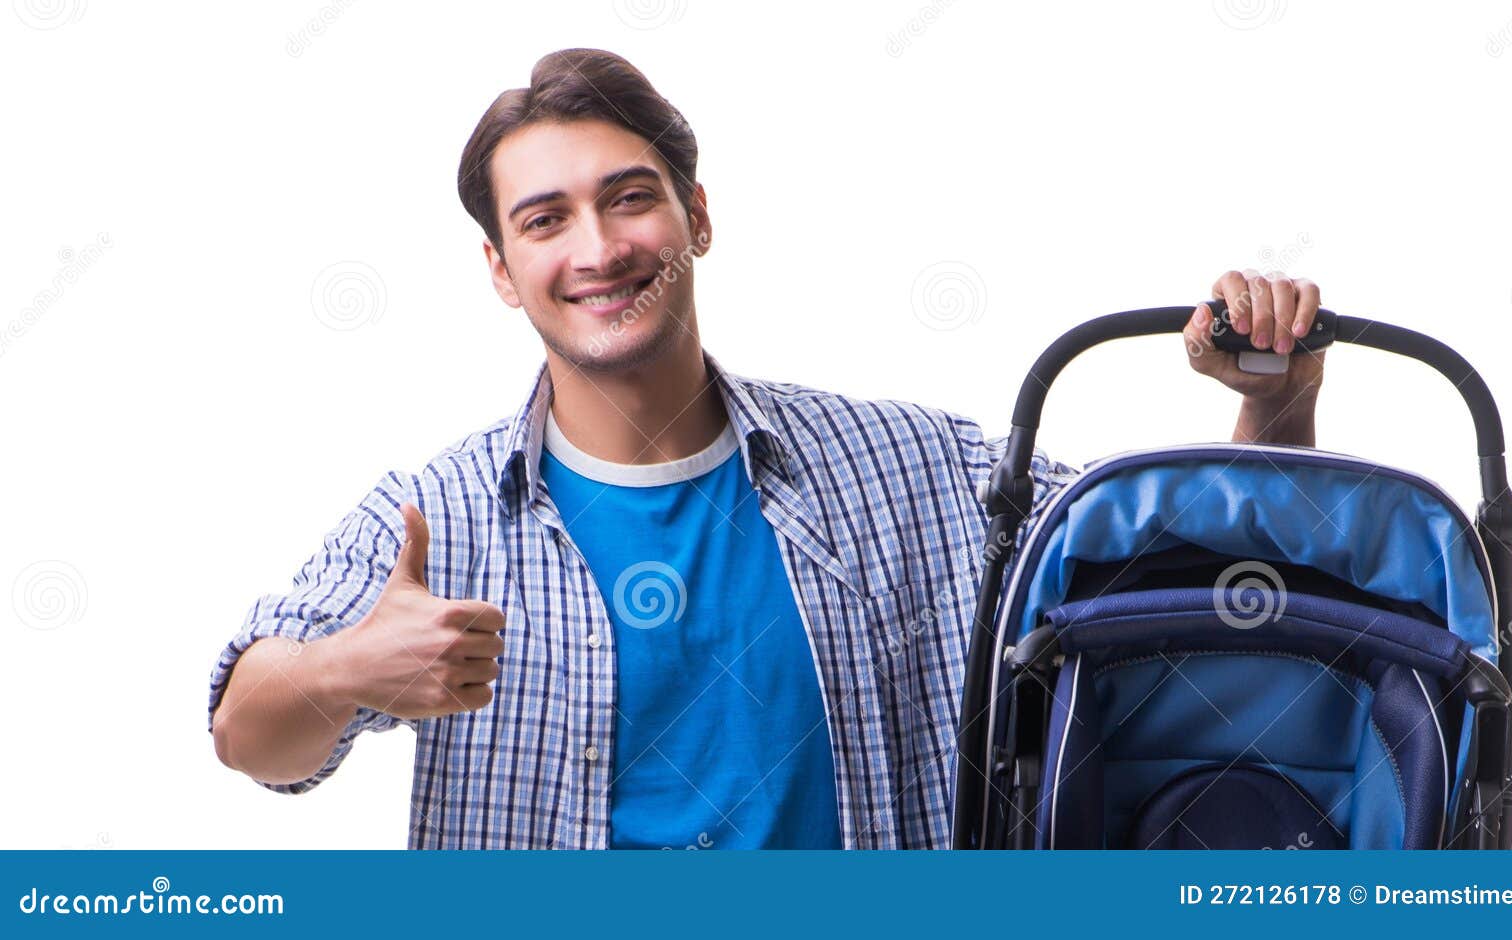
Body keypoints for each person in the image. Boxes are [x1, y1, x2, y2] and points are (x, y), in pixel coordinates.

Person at [208, 49, 1326, 849]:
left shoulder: (913, 473)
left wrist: (1272, 404)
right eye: (545, 220)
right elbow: (249, 732)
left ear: (696, 215)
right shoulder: (437, 516)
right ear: (502, 270)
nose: (598, 249)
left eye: (629, 199)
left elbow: (1199, 591)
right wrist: (344, 668)